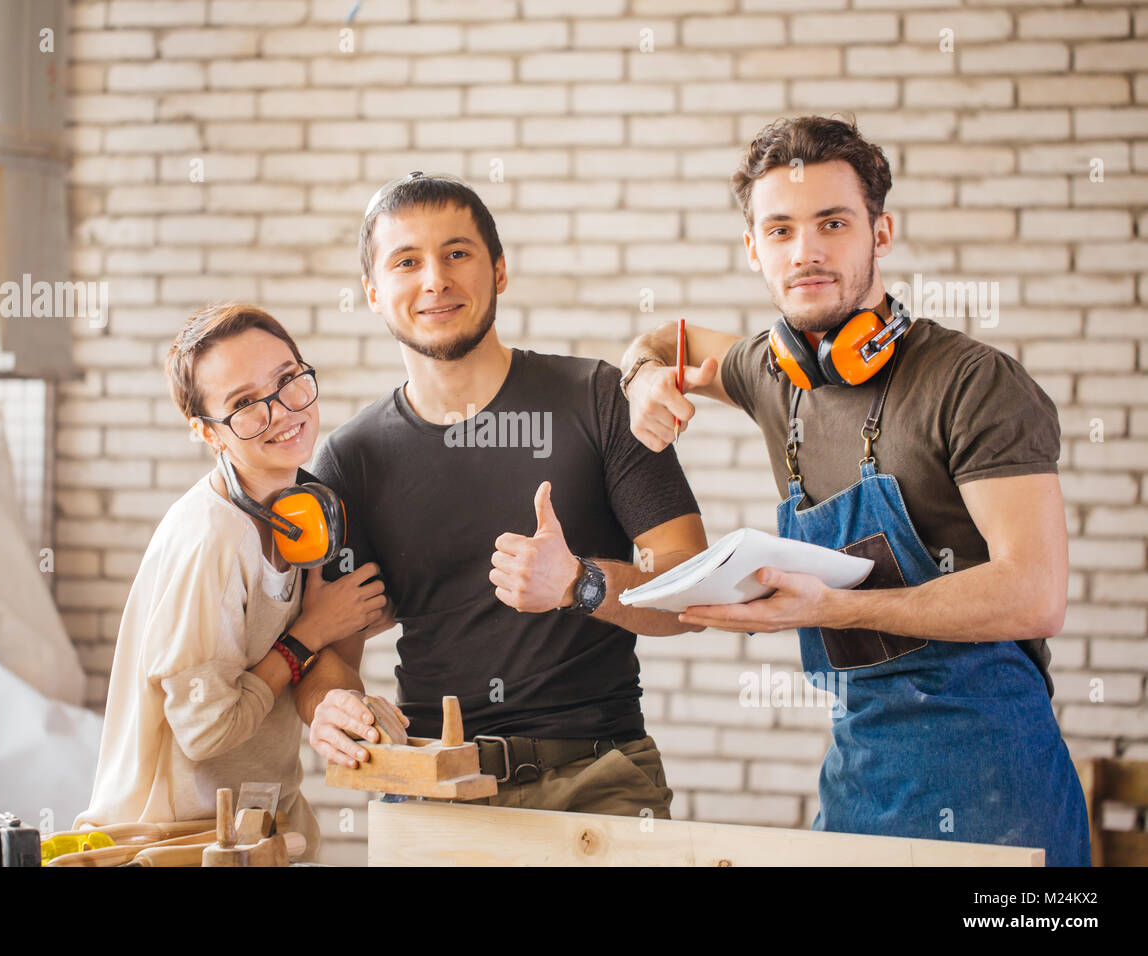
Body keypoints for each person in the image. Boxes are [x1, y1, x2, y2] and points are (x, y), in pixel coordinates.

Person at [619, 116, 1089, 865]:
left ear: (881, 231)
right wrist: (642, 378)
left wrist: (831, 608)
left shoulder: (972, 383)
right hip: (859, 783)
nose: (805, 252)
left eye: (832, 223)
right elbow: (659, 338)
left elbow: (1036, 593)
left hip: (998, 796)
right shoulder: (775, 377)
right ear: (753, 249)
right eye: (779, 231)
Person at [305, 172, 707, 819]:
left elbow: (693, 590)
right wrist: (330, 706)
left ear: (499, 271)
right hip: (431, 784)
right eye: (407, 262)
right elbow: (332, 651)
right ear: (374, 293)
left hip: (597, 777)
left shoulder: (599, 399)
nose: (435, 279)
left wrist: (581, 582)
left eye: (457, 253)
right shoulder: (350, 460)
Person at [73, 303, 401, 860]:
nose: (281, 412)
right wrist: (309, 635)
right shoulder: (210, 539)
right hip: (175, 841)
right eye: (245, 404)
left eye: (287, 380)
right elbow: (206, 730)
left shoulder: (302, 511)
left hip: (261, 828)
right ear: (205, 431)